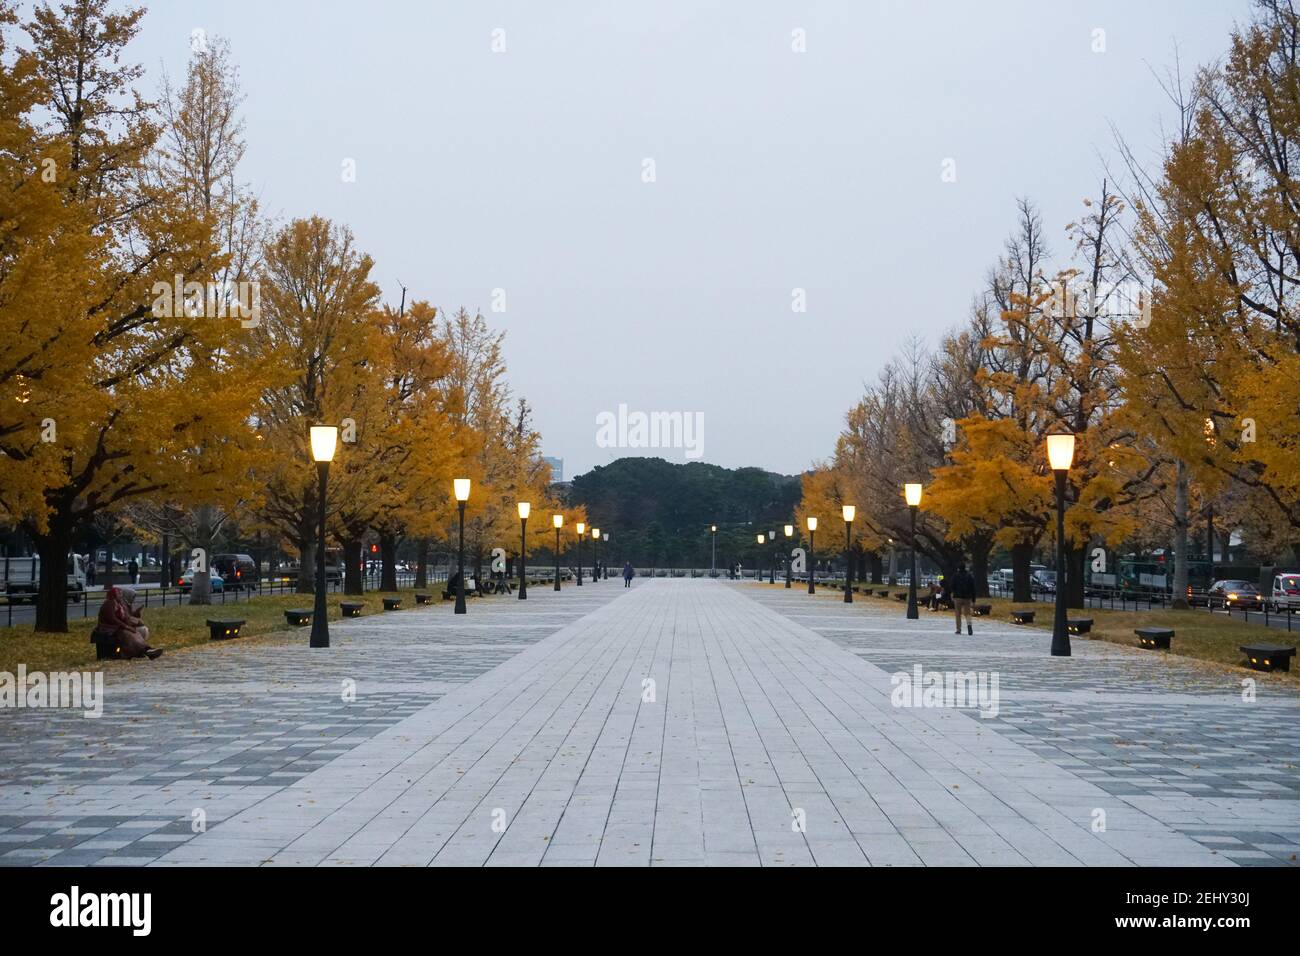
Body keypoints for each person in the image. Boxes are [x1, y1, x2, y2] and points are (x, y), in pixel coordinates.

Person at [95, 586, 162, 659]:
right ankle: (145, 651)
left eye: (121, 594)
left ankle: (146, 649)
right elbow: (113, 619)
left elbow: (125, 617)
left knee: (135, 633)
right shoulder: (109, 604)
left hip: (117, 627)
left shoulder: (119, 604)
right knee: (129, 634)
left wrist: (135, 616)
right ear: (114, 595)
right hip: (109, 629)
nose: (121, 596)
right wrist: (127, 627)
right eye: (119, 594)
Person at [951, 562, 977, 635]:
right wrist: (973, 599)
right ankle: (969, 624)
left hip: (958, 597)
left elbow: (952, 586)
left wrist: (954, 593)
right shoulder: (969, 576)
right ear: (965, 567)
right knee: (967, 613)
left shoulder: (955, 576)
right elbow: (973, 588)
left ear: (958, 568)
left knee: (958, 614)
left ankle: (958, 629)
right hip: (967, 598)